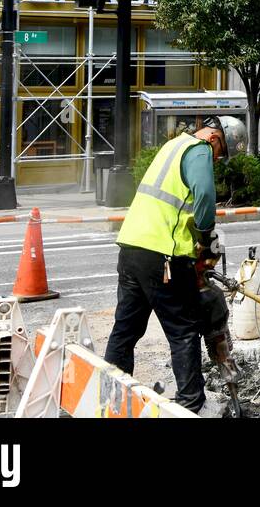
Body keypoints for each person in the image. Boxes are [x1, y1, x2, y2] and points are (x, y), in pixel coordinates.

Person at [104, 115, 247, 414]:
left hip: (131, 247)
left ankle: (110, 397)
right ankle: (191, 405)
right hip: (163, 255)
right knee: (184, 330)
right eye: (221, 155)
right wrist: (205, 238)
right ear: (216, 139)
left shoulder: (174, 145)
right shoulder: (199, 150)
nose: (217, 160)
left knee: (125, 329)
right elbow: (205, 197)